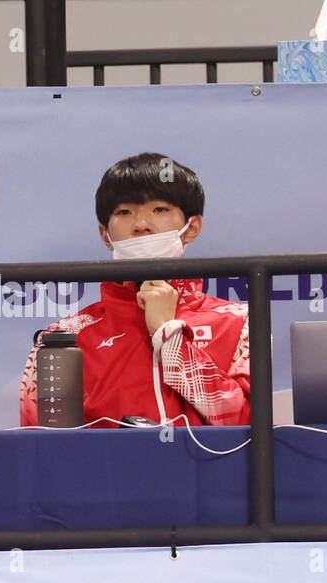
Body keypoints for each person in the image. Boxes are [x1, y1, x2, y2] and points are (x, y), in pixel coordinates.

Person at [19, 153, 249, 427]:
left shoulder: (241, 321)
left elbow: (245, 421)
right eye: (124, 212)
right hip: (106, 470)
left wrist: (169, 334)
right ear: (105, 235)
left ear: (192, 227)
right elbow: (41, 444)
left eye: (160, 209)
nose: (141, 225)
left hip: (212, 470)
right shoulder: (65, 337)